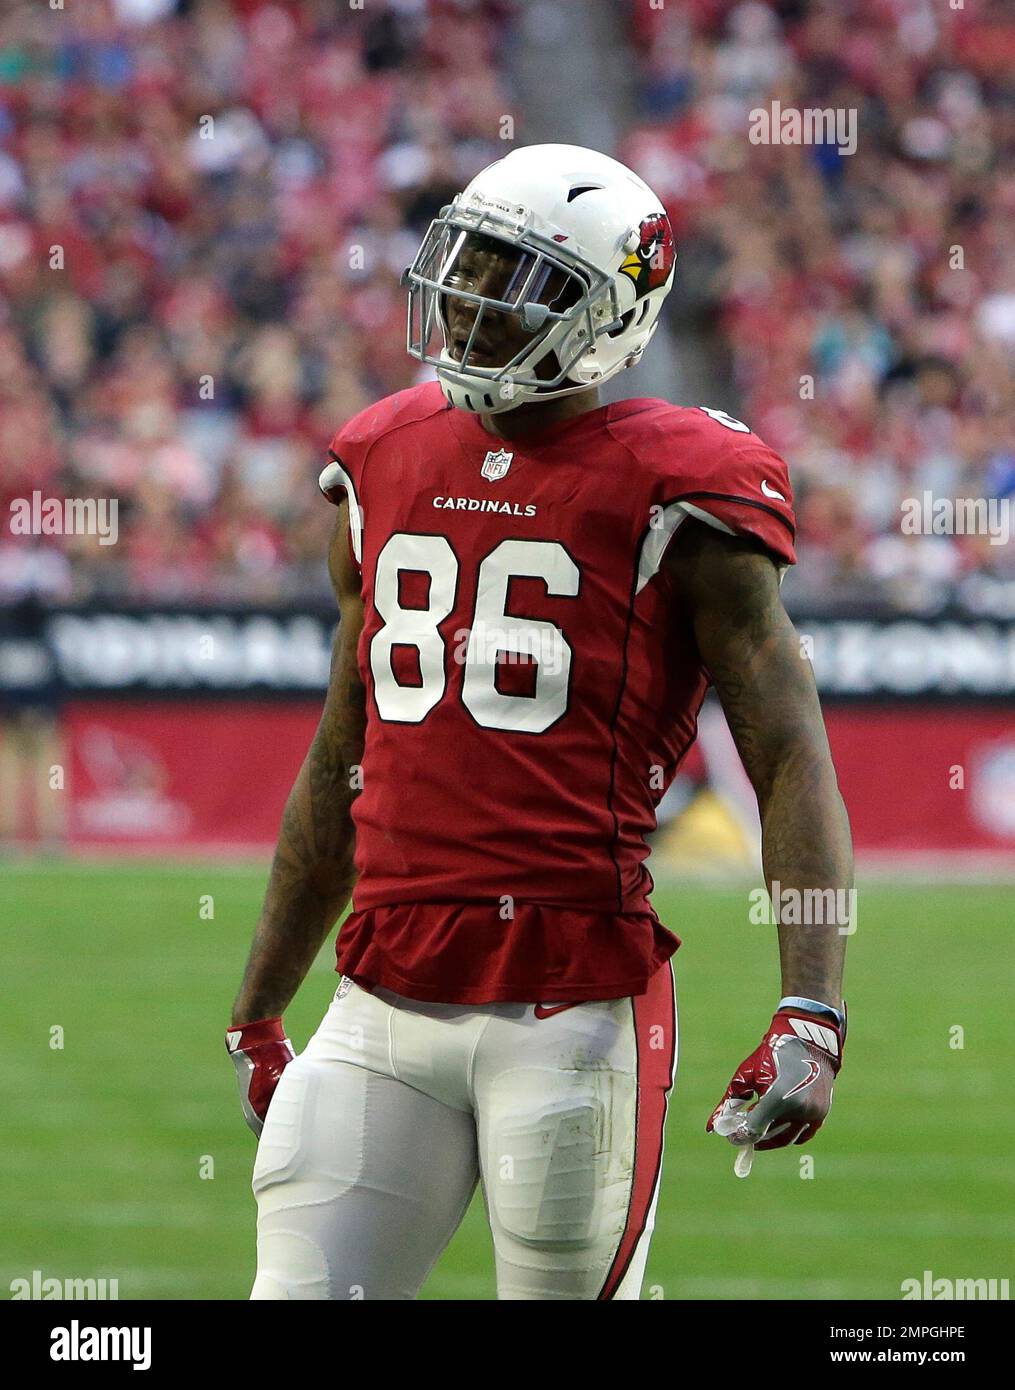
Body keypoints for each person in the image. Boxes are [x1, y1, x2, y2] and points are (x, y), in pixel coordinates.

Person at [226, 144, 853, 1300]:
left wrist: (810, 1006)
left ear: (604, 313)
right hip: (378, 998)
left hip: (571, 1011)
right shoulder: (381, 456)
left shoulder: (681, 489)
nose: (469, 299)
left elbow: (785, 750)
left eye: (515, 278)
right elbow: (342, 755)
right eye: (466, 262)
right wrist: (262, 1002)